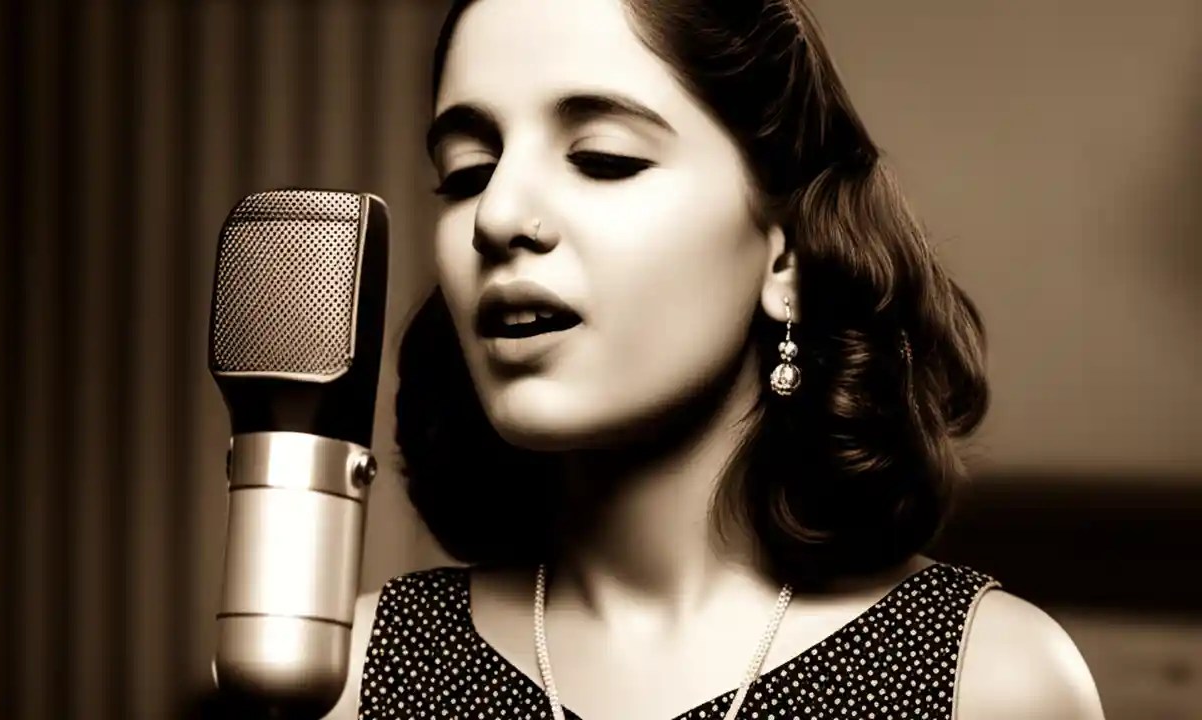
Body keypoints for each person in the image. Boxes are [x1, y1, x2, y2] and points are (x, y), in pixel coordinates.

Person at [329, 0, 1105, 718]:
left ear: (787, 256)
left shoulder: (990, 682)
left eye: (602, 158)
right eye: (468, 172)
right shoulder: (349, 672)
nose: (496, 217)